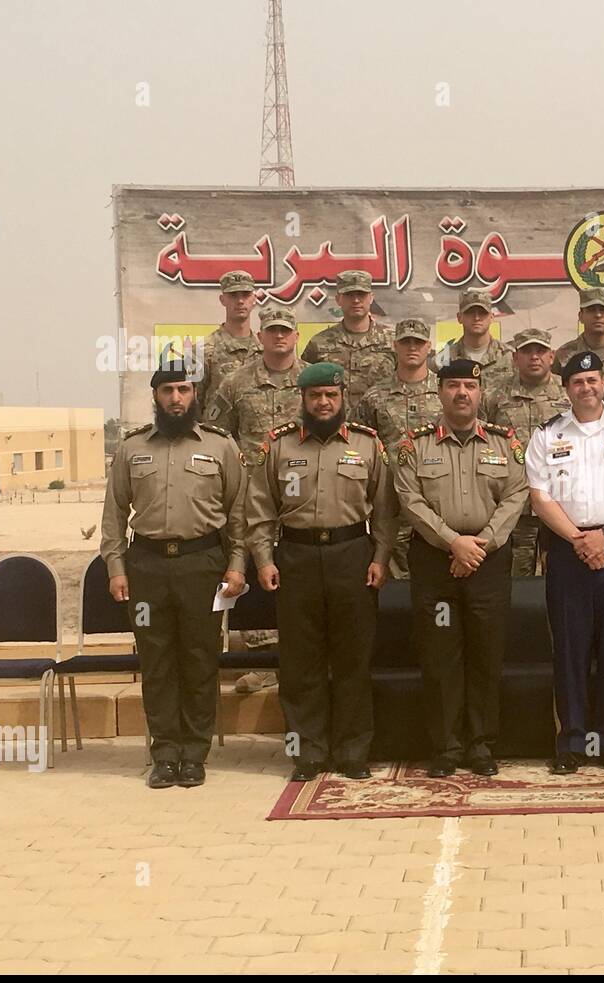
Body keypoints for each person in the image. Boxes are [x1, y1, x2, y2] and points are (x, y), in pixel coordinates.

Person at [245, 361, 397, 782]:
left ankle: (352, 751)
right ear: (303, 399)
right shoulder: (279, 445)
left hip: (352, 555)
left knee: (353, 658)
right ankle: (307, 752)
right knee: (300, 661)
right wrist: (264, 559)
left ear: (343, 397)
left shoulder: (367, 444)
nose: (324, 403)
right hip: (295, 556)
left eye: (331, 395)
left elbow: (385, 511)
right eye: (315, 396)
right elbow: (259, 508)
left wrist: (380, 558)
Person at [100, 364, 246, 788]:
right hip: (146, 566)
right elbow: (114, 514)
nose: (176, 398)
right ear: (156, 396)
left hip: (202, 564)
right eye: (168, 390)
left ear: (194, 394)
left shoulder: (220, 446)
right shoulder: (132, 448)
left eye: (183, 389)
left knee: (200, 660)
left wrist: (237, 565)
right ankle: (164, 754)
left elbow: (239, 513)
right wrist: (115, 567)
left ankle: (195, 754)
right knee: (157, 662)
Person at [394, 360, 528, 777]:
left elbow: (517, 494)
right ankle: (447, 747)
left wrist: (480, 544)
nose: (461, 393)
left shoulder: (505, 443)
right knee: (440, 656)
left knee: (486, 653)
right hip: (436, 563)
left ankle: (481, 745)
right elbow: (410, 500)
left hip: (488, 562)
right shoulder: (415, 445)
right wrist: (454, 542)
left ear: (481, 392)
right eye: (453, 386)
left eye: (469, 386)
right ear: (439, 392)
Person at [526, 352, 604, 775]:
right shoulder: (548, 434)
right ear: (566, 389)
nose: (586, 387)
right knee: (569, 647)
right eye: (577, 382)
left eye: (592, 380)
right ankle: (572, 742)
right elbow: (539, 496)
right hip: (567, 547)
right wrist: (578, 539)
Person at [205, 304, 305, 694]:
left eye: (286, 331)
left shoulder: (311, 381)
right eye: (272, 331)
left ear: (297, 337)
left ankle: (298, 656)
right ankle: (263, 659)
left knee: (298, 573)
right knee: (250, 570)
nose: (279, 337)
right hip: (250, 494)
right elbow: (215, 435)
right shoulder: (235, 383)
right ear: (260, 337)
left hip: (301, 495)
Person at [354, 317, 441, 578]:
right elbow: (359, 447)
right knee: (392, 579)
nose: (412, 347)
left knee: (435, 574)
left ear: (429, 347)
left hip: (437, 502)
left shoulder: (445, 391)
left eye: (418, 342)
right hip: (390, 503)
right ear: (395, 346)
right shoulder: (375, 396)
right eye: (405, 342)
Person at [485, 328, 571, 575]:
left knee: (562, 573)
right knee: (517, 575)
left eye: (540, 351)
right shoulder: (494, 396)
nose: (534, 357)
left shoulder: (569, 393)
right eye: (527, 351)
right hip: (514, 504)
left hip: (561, 502)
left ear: (551, 356)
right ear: (515, 357)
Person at [301, 269, 395, 411]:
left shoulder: (393, 340)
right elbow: (307, 387)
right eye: (349, 295)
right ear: (338, 299)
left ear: (371, 298)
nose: (356, 300)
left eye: (361, 294)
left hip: (380, 420)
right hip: (335, 421)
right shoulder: (319, 343)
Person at [196, 269, 262, 412]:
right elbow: (192, 403)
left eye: (245, 295)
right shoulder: (202, 350)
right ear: (222, 300)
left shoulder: (266, 349)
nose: (240, 301)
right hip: (217, 425)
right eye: (233, 295)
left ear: (254, 299)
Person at [433, 288, 514, 389]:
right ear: (459, 317)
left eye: (482, 313)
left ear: (492, 317)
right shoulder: (444, 358)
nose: (476, 318)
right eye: (470, 312)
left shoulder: (510, 356)